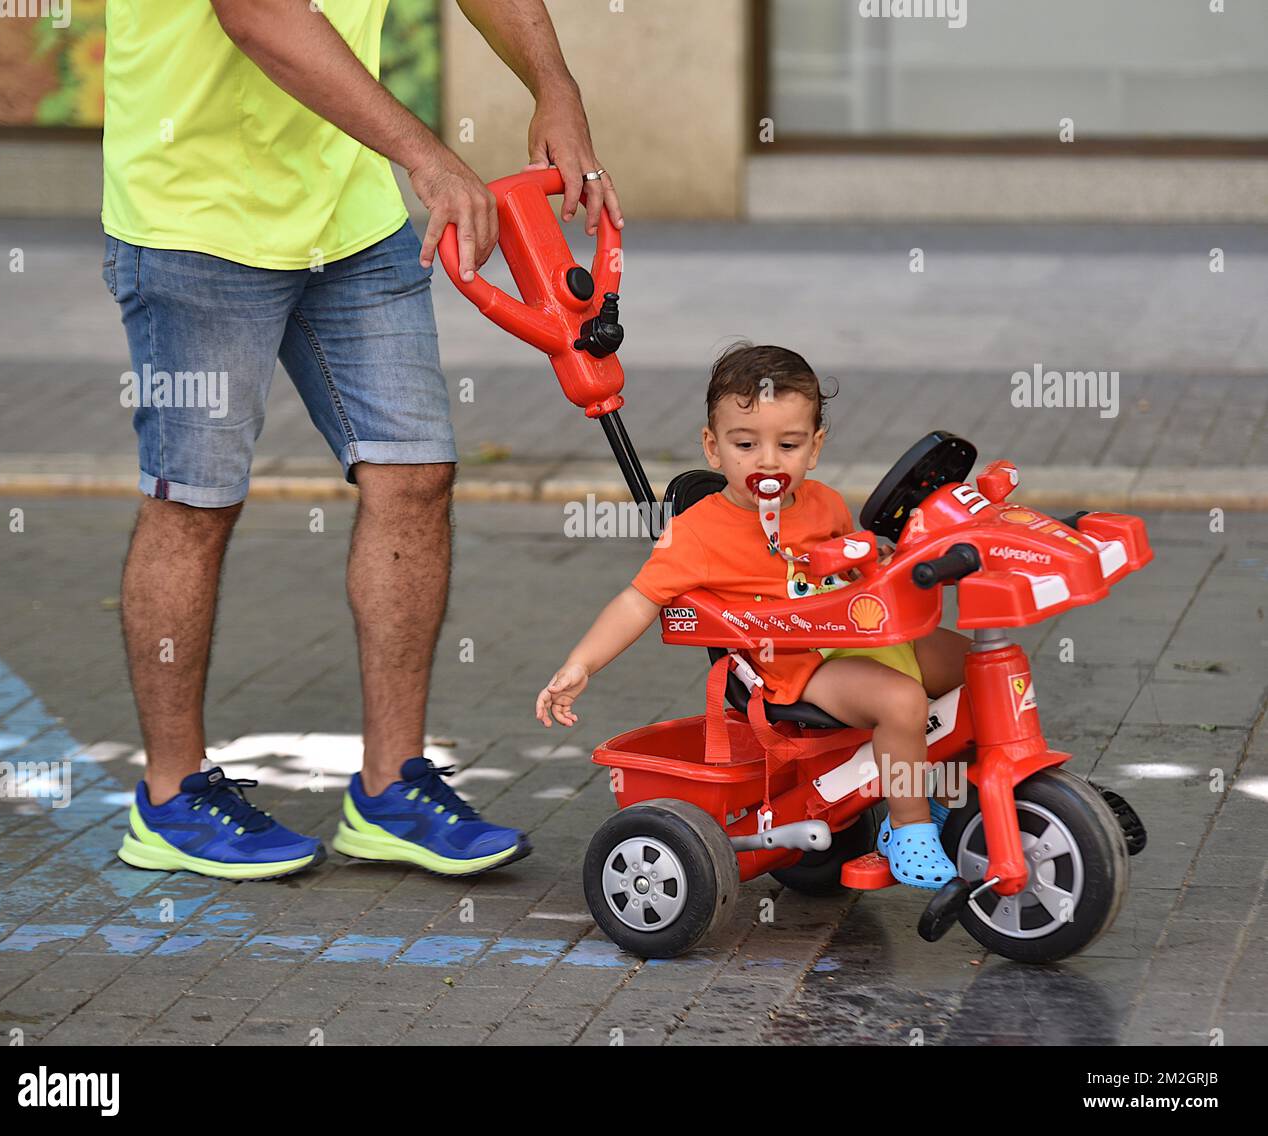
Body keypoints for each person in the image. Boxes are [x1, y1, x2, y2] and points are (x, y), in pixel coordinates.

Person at [103, 0, 621, 880]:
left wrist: (554, 86)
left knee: (417, 476)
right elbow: (259, 15)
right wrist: (427, 156)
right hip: (195, 222)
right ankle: (170, 795)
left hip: (350, 221)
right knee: (194, 503)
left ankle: (390, 787)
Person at [535, 343, 971, 889]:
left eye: (787, 444)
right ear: (713, 448)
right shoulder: (698, 532)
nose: (767, 461)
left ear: (814, 448)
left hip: (859, 635)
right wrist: (581, 664)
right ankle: (908, 826)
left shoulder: (825, 503)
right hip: (793, 666)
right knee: (901, 700)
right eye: (746, 444)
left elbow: (857, 564)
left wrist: (883, 561)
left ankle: (957, 787)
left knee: (973, 666)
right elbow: (638, 599)